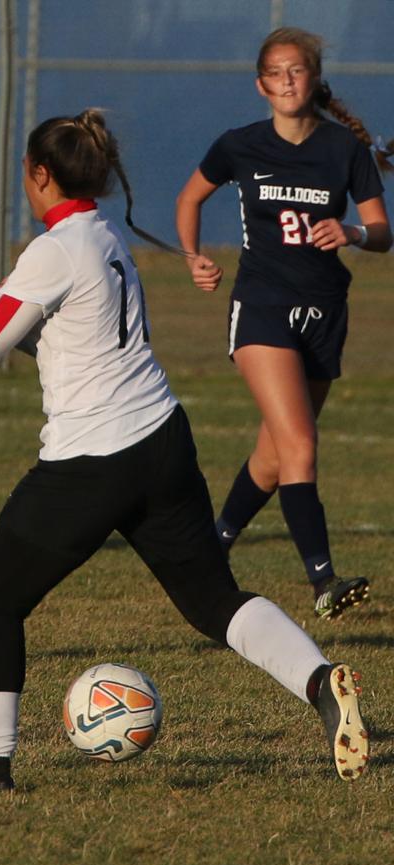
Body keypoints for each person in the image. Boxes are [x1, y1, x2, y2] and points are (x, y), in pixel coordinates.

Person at [0, 110, 368, 793]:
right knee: (212, 600)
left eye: (27, 171)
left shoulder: (54, 250)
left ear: (40, 176)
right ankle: (320, 682)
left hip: (92, 458)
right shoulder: (101, 234)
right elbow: (49, 329)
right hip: (160, 439)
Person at [175, 27, 392, 620]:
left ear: (314, 79)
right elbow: (190, 198)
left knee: (274, 457)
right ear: (261, 85)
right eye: (276, 72)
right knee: (300, 443)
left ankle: (212, 546)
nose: (288, 80)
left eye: (297, 70)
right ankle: (323, 581)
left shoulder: (344, 149)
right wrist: (194, 256)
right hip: (263, 307)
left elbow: (382, 231)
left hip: (325, 312)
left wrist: (351, 232)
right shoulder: (239, 145)